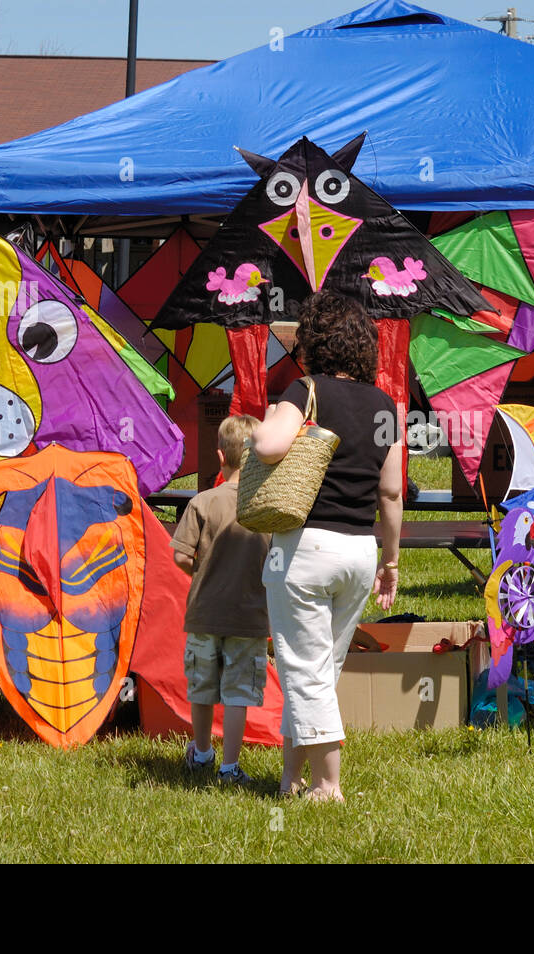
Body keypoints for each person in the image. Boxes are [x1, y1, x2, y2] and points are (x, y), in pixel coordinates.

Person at [252, 291, 403, 801]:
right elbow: (392, 491)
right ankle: (290, 780)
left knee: (304, 670)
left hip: (304, 550)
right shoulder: (386, 406)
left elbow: (268, 446)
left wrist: (272, 416)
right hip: (360, 553)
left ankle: (327, 786)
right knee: (318, 670)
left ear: (314, 343)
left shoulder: (305, 389)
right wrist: (392, 561)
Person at [170, 413, 270, 785]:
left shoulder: (203, 502)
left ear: (219, 456)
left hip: (205, 613)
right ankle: (229, 766)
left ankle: (201, 753)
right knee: (237, 692)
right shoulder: (267, 508)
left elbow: (180, 555)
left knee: (202, 686)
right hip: (249, 617)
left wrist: (201, 573)